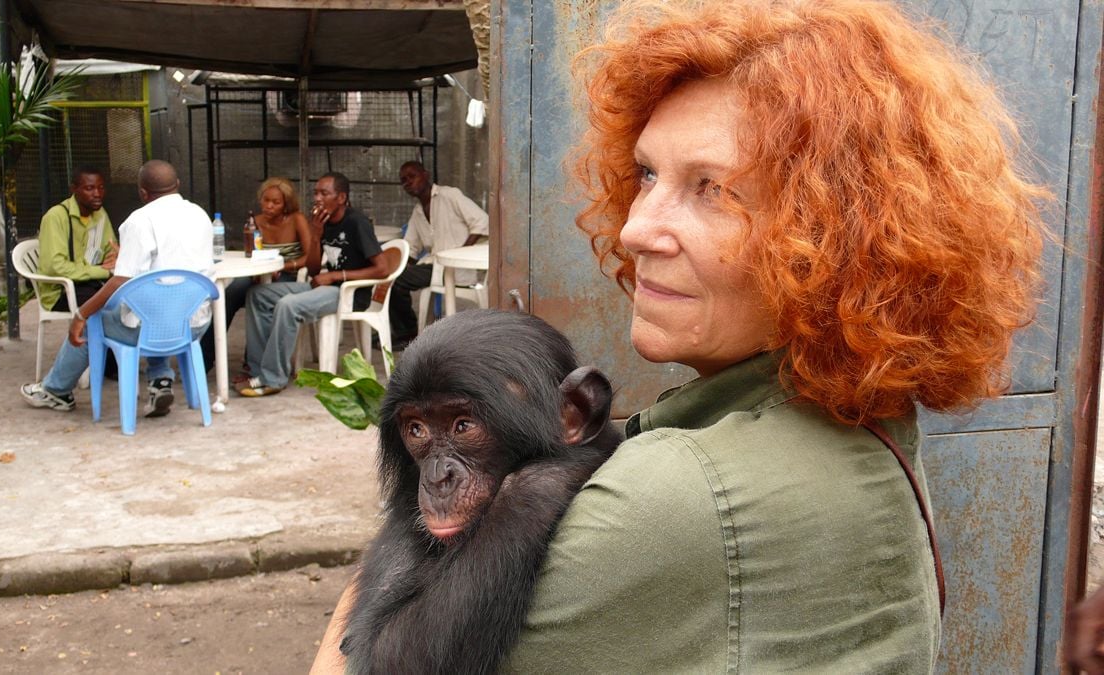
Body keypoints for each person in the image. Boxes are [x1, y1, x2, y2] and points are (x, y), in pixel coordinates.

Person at [311, 0, 1047, 671]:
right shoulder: (841, 416)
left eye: (712, 188)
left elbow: (367, 660)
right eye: (645, 174)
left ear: (831, 235)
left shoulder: (678, 497)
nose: (633, 228)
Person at [20, 160, 216, 419]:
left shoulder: (139, 221)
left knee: (100, 319)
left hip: (151, 326)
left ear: (143, 193)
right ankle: (160, 382)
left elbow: (120, 280)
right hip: (194, 325)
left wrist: (81, 315)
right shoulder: (199, 214)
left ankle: (55, 389)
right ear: (177, 186)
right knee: (150, 306)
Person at [239, 172, 390, 397]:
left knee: (288, 305)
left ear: (341, 198)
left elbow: (382, 269)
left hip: (350, 293)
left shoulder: (356, 222)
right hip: (325, 287)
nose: (317, 198)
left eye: (324, 193)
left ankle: (273, 379)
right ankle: (259, 368)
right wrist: (316, 236)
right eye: (316, 193)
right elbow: (312, 270)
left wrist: (337, 276)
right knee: (258, 294)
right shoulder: (323, 222)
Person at [200, 177, 319, 373]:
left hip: (289, 274)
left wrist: (286, 265)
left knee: (262, 295)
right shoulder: (255, 222)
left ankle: (253, 361)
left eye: (276, 202)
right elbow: (251, 253)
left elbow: (311, 256)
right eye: (266, 200)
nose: (269, 206)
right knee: (229, 294)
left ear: (286, 204)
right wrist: (257, 269)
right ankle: (205, 359)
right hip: (260, 271)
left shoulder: (297, 220)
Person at [390, 161, 489, 345]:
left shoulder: (449, 195)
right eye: (403, 181)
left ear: (426, 175)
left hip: (455, 268)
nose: (408, 183)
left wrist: (461, 253)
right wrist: (394, 269)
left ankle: (407, 333)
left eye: (412, 176)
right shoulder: (418, 211)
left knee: (398, 281)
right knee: (392, 279)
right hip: (434, 267)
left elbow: (482, 222)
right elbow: (411, 248)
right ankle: (406, 332)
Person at [35, 166, 118, 313]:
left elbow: (111, 250)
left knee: (129, 293)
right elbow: (55, 266)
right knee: (108, 302)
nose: (97, 194)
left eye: (101, 188)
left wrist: (114, 258)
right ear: (74, 189)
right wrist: (103, 272)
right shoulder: (56, 217)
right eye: (89, 188)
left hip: (91, 283)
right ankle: (91, 335)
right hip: (61, 290)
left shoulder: (100, 214)